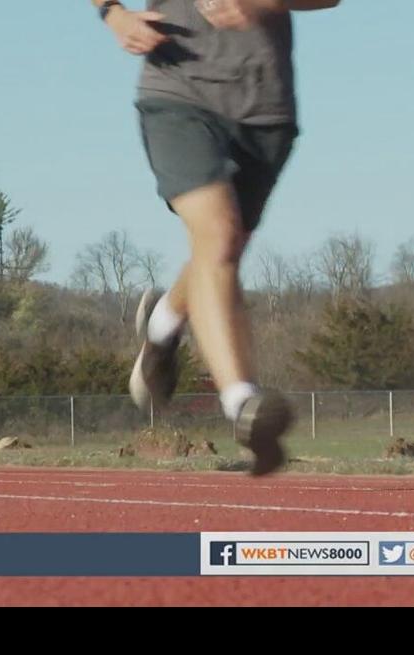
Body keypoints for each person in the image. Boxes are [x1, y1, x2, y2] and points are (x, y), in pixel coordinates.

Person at [93, 0, 340, 475]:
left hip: (265, 108)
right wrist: (112, 13)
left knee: (223, 251)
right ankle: (243, 404)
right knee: (219, 237)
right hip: (177, 91)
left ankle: (163, 325)